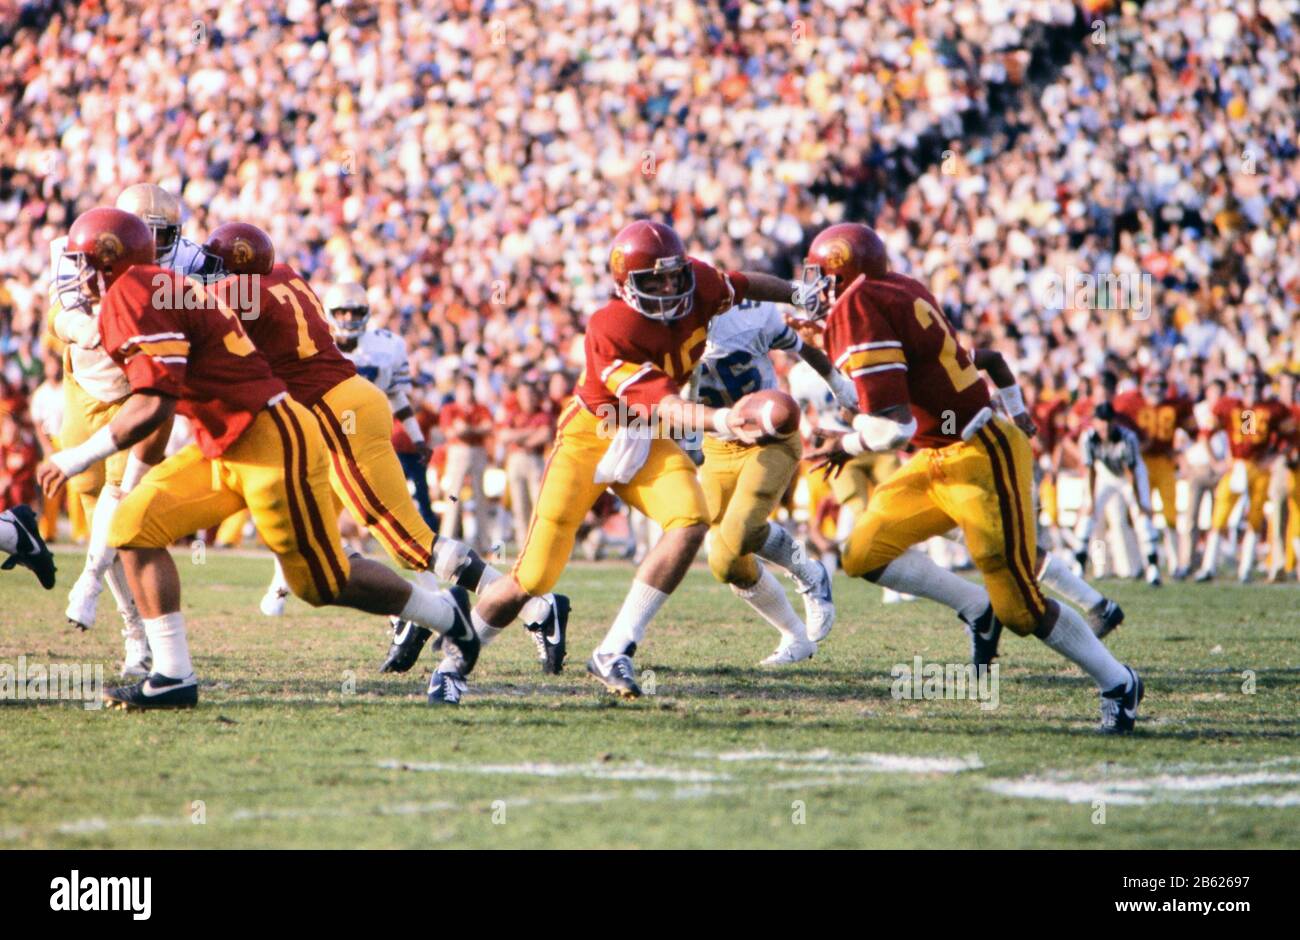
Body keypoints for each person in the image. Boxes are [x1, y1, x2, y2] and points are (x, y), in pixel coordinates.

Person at [35, 208, 478, 710]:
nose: (75, 276)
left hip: (271, 440)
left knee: (319, 582)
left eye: (83, 263)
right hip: (221, 442)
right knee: (133, 526)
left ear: (110, 261)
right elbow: (156, 406)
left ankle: (447, 616)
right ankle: (173, 674)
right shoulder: (150, 288)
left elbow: (153, 405)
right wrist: (128, 480)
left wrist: (76, 458)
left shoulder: (140, 293)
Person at [433, 219, 810, 703]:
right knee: (534, 577)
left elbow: (743, 282)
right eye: (654, 280)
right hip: (592, 437)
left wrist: (796, 293)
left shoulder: (701, 283)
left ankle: (614, 649)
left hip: (646, 435)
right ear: (625, 284)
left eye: (674, 275)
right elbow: (666, 405)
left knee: (690, 522)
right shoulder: (612, 326)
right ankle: (453, 663)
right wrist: (722, 420)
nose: (670, 286)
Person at [799, 223, 1143, 734]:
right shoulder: (897, 288)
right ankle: (975, 607)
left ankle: (1119, 682)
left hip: (982, 455)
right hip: (937, 456)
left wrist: (844, 444)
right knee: (862, 552)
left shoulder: (864, 302)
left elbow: (894, 427)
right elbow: (887, 394)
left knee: (1023, 610)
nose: (816, 288)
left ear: (844, 272)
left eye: (823, 276)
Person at [201, 226, 570, 680]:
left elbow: (204, 328)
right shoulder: (284, 275)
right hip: (336, 411)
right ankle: (411, 615)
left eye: (217, 271)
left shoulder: (240, 292)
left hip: (336, 414)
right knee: (321, 540)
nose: (210, 278)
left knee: (410, 543)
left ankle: (529, 607)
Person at [46, 183, 205, 677]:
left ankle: (124, 622)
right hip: (88, 381)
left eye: (164, 235)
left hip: (144, 388)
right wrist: (94, 330)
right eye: (143, 233)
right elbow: (61, 316)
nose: (153, 246)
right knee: (92, 494)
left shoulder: (195, 262)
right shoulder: (81, 243)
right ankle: (130, 623)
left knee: (124, 503)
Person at [693, 298, 844, 664]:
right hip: (715, 445)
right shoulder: (661, 332)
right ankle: (795, 637)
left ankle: (806, 568)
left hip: (768, 439)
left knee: (741, 530)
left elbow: (803, 345)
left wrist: (841, 385)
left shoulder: (750, 317)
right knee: (724, 563)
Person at [1076, 402, 1162, 585]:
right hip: (1105, 474)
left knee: (1142, 517)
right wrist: (1090, 500)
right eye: (1101, 421)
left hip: (1130, 476)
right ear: (1095, 422)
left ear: (1114, 421)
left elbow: (1130, 471)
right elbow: (1090, 470)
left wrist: (1138, 503)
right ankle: (1079, 565)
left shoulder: (1127, 437)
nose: (1105, 426)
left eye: (1108, 421)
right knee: (1088, 516)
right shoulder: (1089, 438)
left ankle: (1153, 568)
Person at [438, 375, 494, 553]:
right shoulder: (450, 408)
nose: (466, 393)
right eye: (462, 389)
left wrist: (467, 430)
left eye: (468, 388)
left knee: (480, 497)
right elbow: (451, 432)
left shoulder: (480, 408)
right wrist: (472, 430)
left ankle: (485, 543)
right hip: (458, 451)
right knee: (453, 495)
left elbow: (487, 427)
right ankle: (446, 540)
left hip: (477, 451)